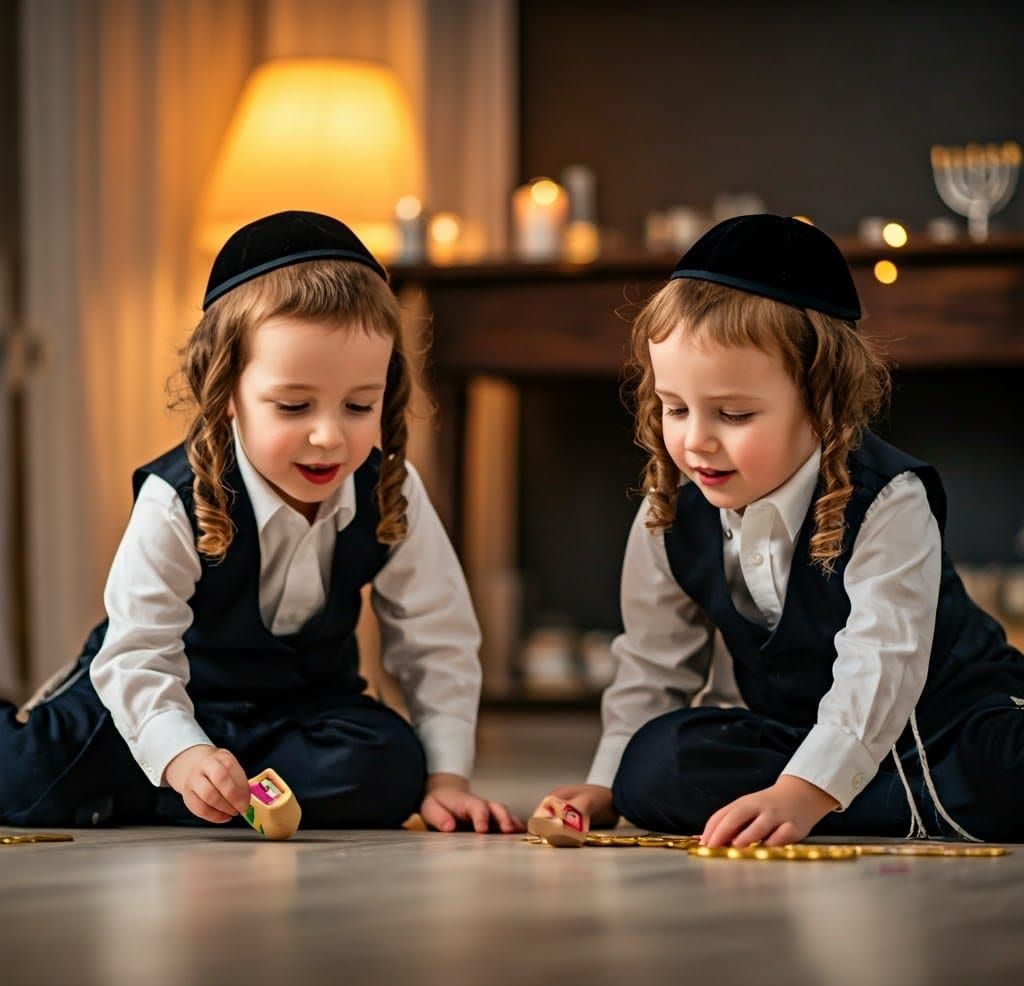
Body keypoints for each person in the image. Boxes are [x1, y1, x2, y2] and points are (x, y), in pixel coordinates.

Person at [1, 210, 522, 835]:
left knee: (390, 766)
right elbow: (138, 654)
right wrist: (183, 755)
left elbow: (437, 641)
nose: (329, 435)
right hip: (160, 701)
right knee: (26, 781)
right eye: (294, 405)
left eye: (360, 405)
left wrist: (446, 780)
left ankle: (156, 800)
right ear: (226, 393)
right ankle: (167, 783)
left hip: (292, 718)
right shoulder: (178, 498)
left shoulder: (391, 490)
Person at [533, 214, 1024, 846]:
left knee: (1005, 762)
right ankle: (911, 807)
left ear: (822, 403)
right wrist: (607, 783)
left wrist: (802, 791)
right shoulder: (670, 510)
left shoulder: (889, 500)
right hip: (803, 738)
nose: (695, 440)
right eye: (675, 408)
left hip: (954, 725)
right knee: (655, 764)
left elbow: (882, 663)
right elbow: (654, 667)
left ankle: (857, 797)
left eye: (733, 414)